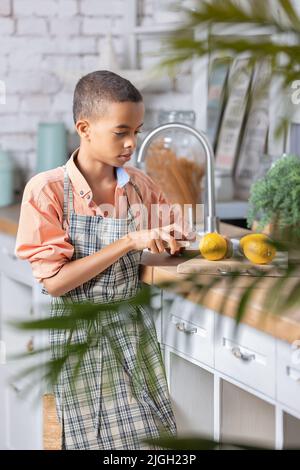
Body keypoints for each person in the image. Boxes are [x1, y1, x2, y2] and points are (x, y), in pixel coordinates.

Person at [15, 70, 187, 450]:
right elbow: (56, 281)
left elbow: (166, 238)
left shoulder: (140, 185)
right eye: (121, 131)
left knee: (156, 437)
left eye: (137, 131)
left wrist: (172, 241)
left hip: (134, 332)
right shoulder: (47, 191)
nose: (131, 143)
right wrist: (129, 241)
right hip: (79, 335)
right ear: (85, 127)